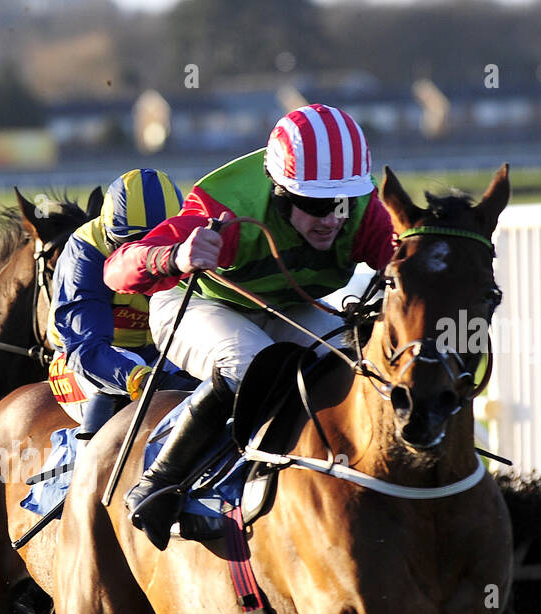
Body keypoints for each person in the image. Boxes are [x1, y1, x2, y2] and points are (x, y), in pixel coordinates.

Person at [104, 103, 398, 548]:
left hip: (282, 305)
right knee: (255, 362)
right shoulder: (225, 207)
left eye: (341, 203)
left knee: (355, 362)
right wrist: (177, 256)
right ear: (279, 192)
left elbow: (408, 264)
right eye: (313, 204)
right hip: (196, 304)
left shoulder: (362, 212)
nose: (330, 219)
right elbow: (116, 271)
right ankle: (160, 484)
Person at [45, 169, 185, 431]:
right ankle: (91, 468)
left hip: (157, 353)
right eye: (129, 245)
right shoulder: (85, 254)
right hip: (78, 361)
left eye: (156, 244)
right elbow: (87, 350)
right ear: (109, 234)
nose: (140, 258)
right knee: (125, 400)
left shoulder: (189, 241)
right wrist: (141, 380)